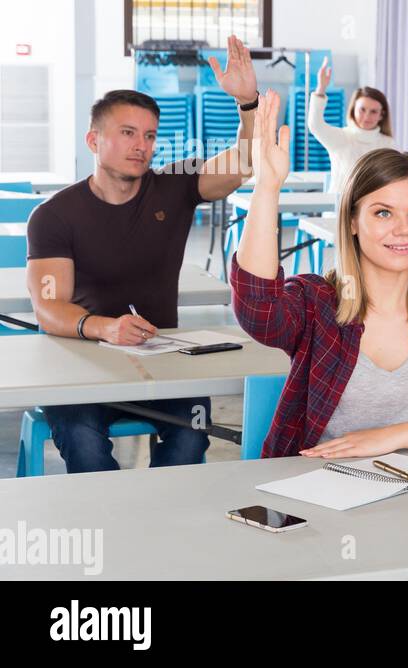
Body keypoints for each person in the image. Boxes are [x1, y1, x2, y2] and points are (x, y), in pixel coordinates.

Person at [231, 90, 408, 459]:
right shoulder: (315, 302)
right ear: (352, 221)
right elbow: (257, 309)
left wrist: (393, 436)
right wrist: (267, 188)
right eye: (383, 213)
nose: (404, 229)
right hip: (312, 492)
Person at [25, 36, 261, 473]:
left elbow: (244, 163)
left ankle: (160, 524)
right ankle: (112, 532)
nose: (141, 145)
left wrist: (247, 103)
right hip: (84, 365)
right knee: (85, 444)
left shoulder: (175, 184)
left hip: (164, 363)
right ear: (94, 140)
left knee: (192, 433)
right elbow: (49, 308)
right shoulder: (54, 215)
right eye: (128, 133)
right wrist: (106, 329)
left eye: (150, 136)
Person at [309, 57, 397, 194]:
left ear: (381, 115)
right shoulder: (340, 137)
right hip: (338, 210)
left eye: (373, 112)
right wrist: (321, 89)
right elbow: (315, 125)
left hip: (372, 208)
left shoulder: (388, 144)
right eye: (362, 110)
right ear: (353, 109)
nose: (367, 116)